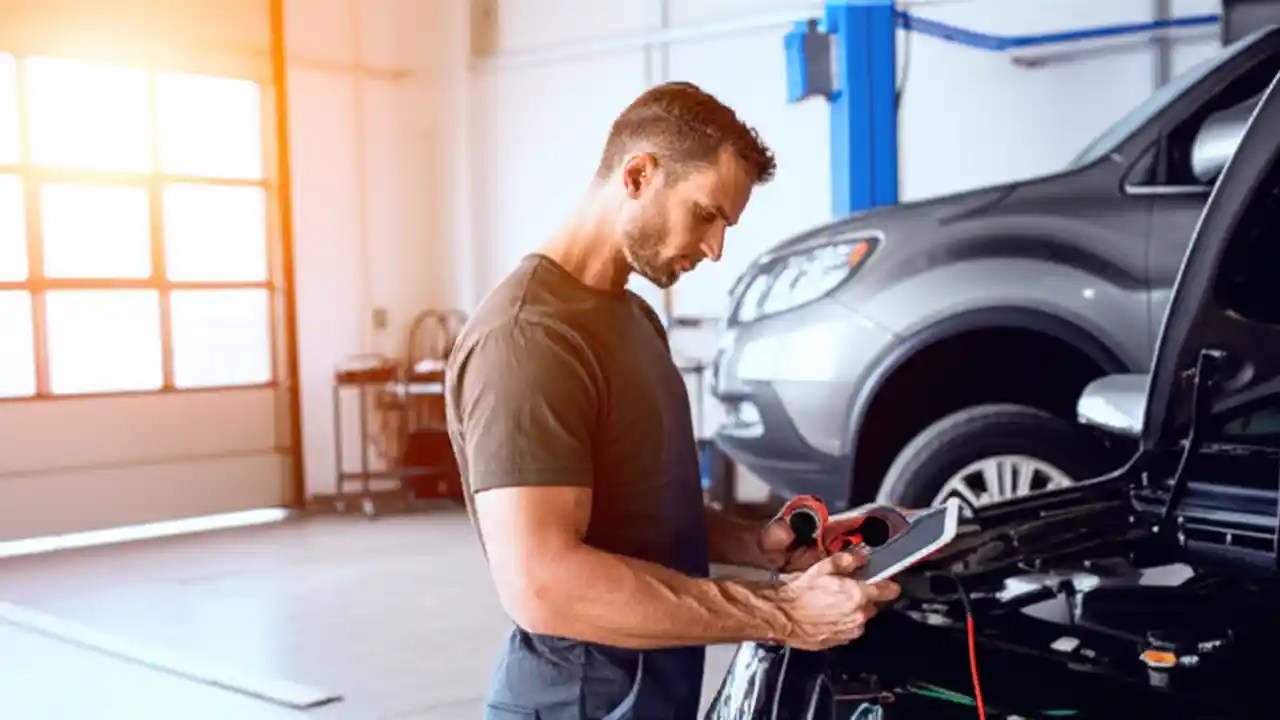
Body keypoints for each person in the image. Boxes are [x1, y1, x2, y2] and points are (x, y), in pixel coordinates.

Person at [444, 81, 900, 720]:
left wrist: (757, 544)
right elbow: (542, 585)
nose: (715, 248)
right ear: (638, 175)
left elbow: (636, 504)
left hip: (655, 691)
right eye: (706, 213)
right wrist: (781, 614)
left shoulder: (633, 317)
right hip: (578, 703)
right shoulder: (528, 339)